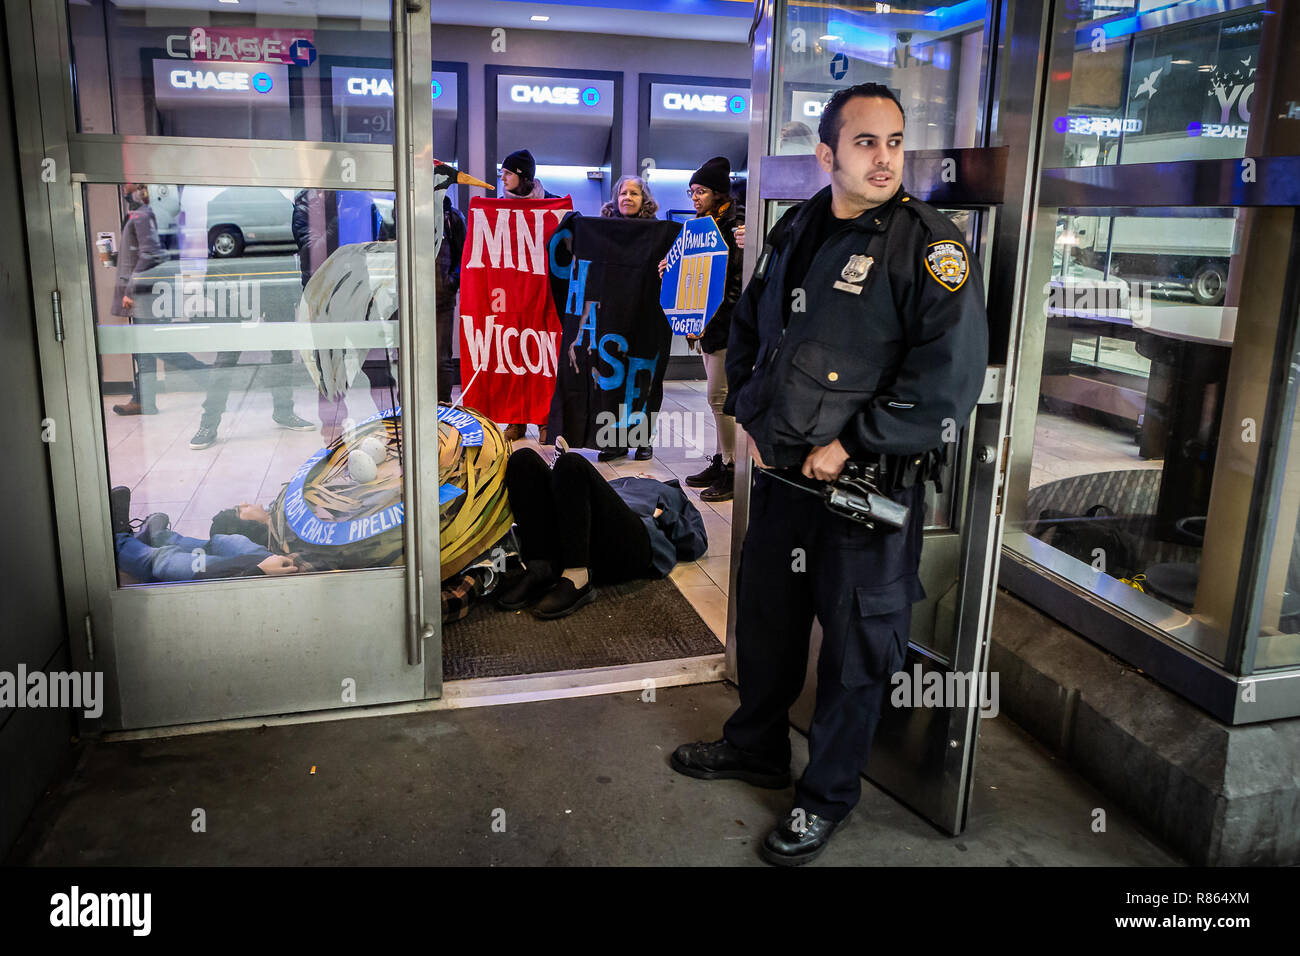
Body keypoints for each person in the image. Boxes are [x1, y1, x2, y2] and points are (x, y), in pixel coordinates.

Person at [670, 83, 989, 865]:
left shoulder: (930, 246)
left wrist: (854, 444)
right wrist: (746, 408)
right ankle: (756, 746)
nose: (885, 158)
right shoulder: (798, 227)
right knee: (769, 623)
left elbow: (949, 379)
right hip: (782, 480)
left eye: (893, 142)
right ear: (827, 154)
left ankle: (826, 797)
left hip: (864, 489)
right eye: (866, 143)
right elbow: (750, 324)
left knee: (855, 653)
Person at [495, 447, 708, 619]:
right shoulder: (619, 484)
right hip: (579, 540)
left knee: (572, 464)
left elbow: (696, 542)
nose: (644, 475)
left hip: (633, 544)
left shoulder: (671, 493)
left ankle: (578, 578)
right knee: (523, 459)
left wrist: (662, 514)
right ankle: (540, 567)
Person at [659, 156, 745, 501]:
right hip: (710, 326)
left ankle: (733, 468)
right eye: (692, 191)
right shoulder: (702, 224)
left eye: (701, 191)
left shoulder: (735, 226)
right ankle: (722, 459)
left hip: (725, 326)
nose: (694, 197)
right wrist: (670, 266)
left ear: (718, 192)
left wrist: (711, 318)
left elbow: (734, 284)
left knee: (719, 398)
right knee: (717, 400)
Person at [291, 188, 400, 441]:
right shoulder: (306, 207)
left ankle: (393, 428)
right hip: (326, 303)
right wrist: (341, 219)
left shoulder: (354, 200)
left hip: (361, 297)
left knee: (378, 368)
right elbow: (311, 253)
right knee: (331, 372)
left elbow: (382, 242)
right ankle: (333, 436)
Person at [110, 183, 195, 415]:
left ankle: (208, 376)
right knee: (145, 351)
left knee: (154, 348)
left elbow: (151, 253)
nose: (125, 186)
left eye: (131, 184)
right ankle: (142, 400)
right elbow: (145, 251)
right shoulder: (149, 212)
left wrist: (129, 289)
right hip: (148, 293)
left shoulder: (144, 213)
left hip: (145, 295)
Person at [598, 174, 662, 463]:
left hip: (651, 315)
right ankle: (615, 441)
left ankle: (643, 440)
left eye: (634, 193)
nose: (627, 197)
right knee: (615, 380)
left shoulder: (660, 233)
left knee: (646, 378)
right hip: (613, 316)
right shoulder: (604, 231)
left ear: (644, 200)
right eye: (622, 193)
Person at [110, 486, 297, 583]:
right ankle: (159, 537)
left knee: (166, 561)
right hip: (275, 558)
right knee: (227, 542)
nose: (245, 502)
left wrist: (259, 570)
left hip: (266, 574)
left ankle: (117, 541)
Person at [499, 148, 556, 441]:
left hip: (544, 296)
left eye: (507, 173)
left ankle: (544, 419)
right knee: (513, 358)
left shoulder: (553, 205)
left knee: (543, 360)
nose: (502, 178)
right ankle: (516, 419)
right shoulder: (497, 209)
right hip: (511, 296)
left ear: (522, 176)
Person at [436, 195, 467, 404]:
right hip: (408, 298)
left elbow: (463, 256)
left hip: (442, 298)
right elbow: (384, 250)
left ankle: (443, 407)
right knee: (408, 359)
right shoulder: (398, 212)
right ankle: (408, 410)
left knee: (442, 359)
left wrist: (451, 281)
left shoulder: (452, 216)